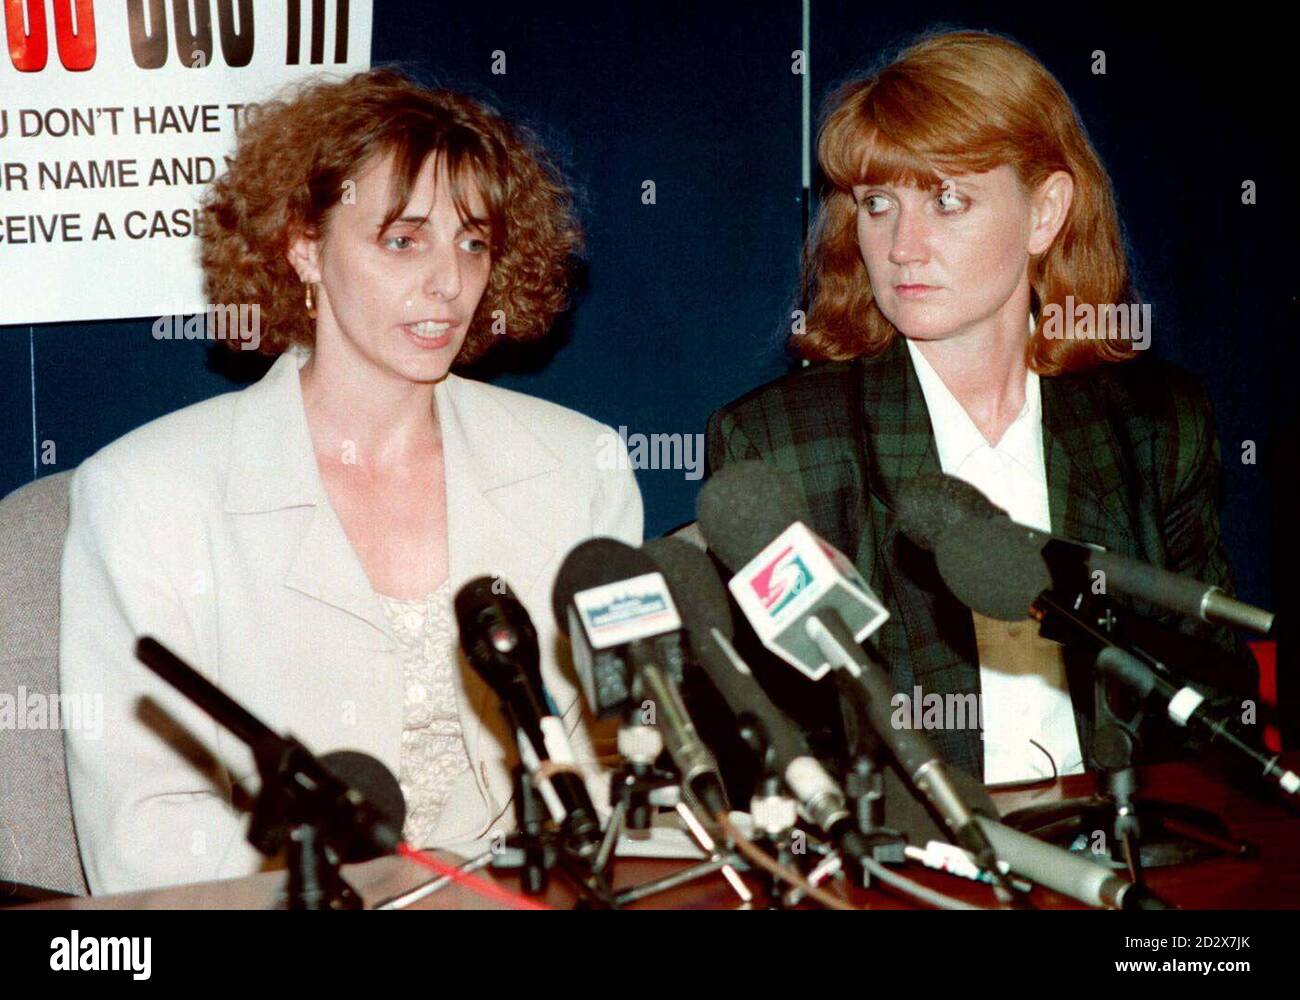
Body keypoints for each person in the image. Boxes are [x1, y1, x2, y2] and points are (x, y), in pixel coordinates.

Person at [59, 69, 642, 894]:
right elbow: (147, 833)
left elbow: (604, 770)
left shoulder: (579, 468)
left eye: (472, 241)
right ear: (304, 243)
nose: (448, 281)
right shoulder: (148, 494)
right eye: (402, 240)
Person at [707, 30, 1252, 786]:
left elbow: (1217, 698)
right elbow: (768, 741)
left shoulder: (1156, 424)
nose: (903, 246)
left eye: (948, 199)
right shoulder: (780, 446)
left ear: (1045, 213)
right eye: (877, 204)